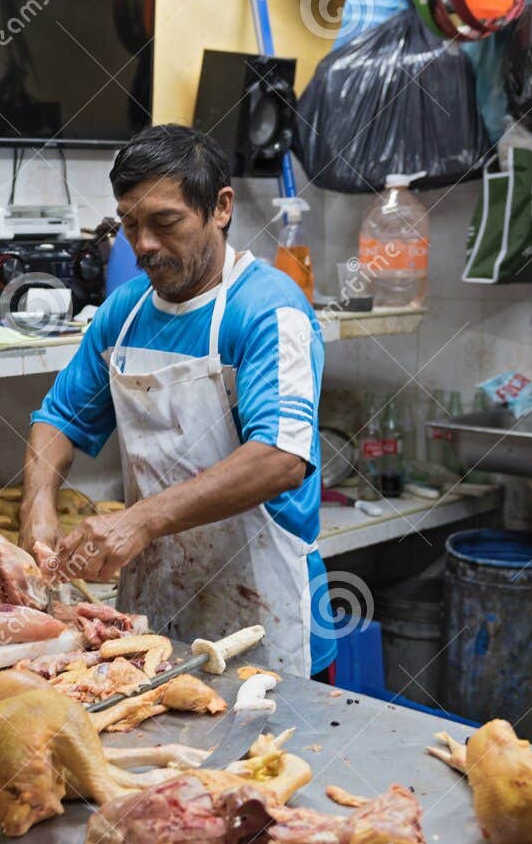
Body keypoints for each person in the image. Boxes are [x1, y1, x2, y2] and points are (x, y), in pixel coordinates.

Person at [22, 125, 331, 678]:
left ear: (220, 208)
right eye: (130, 224)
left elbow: (281, 458)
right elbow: (60, 418)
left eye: (165, 223)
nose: (143, 244)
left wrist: (139, 520)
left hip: (262, 617)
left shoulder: (268, 308)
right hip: (153, 614)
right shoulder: (125, 312)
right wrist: (38, 503)